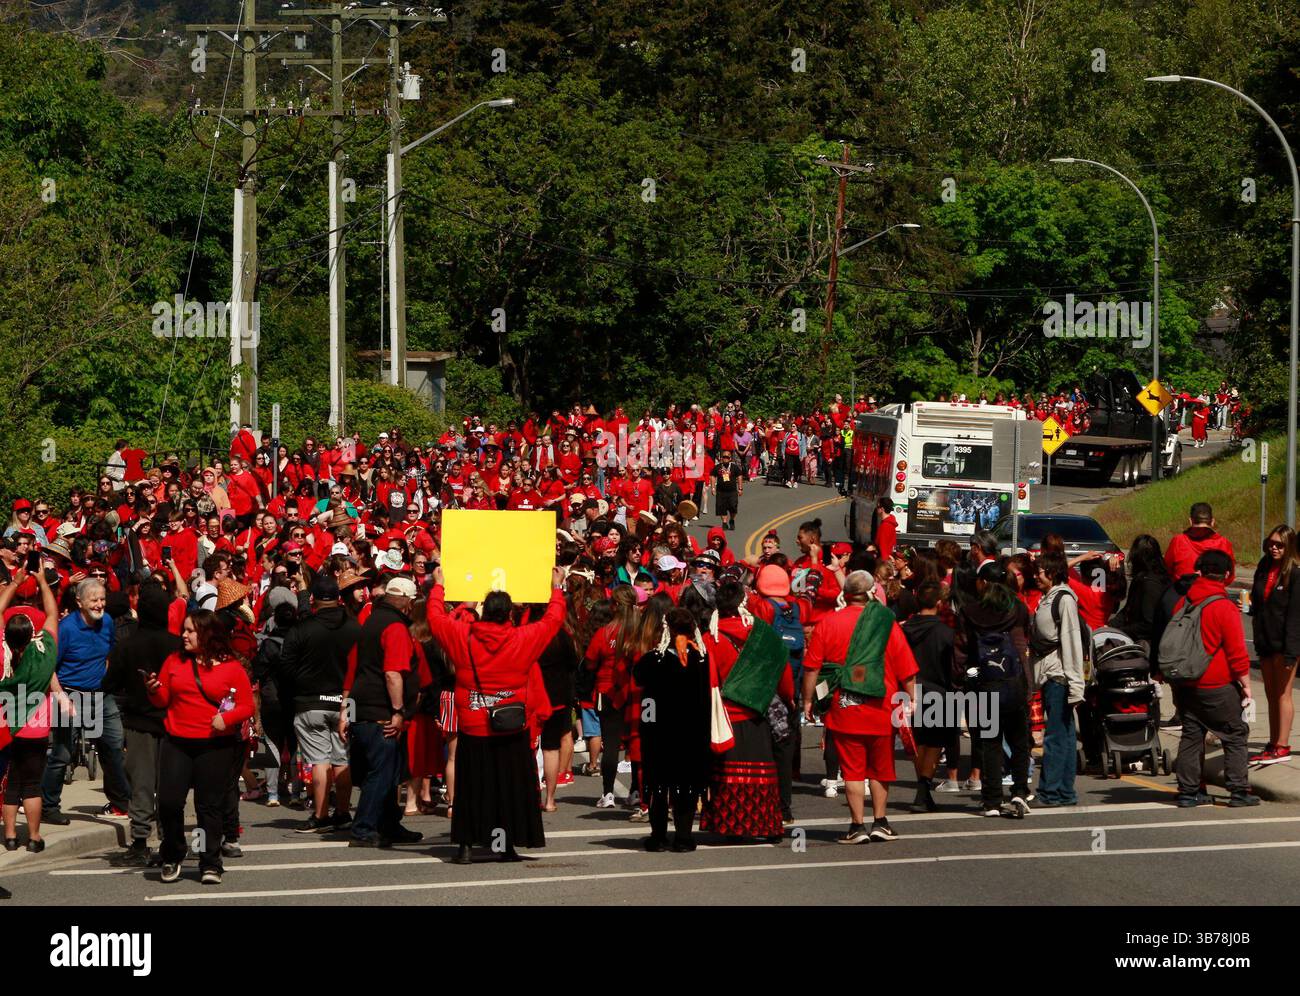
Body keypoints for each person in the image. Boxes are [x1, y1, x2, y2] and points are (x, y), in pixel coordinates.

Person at [426, 565, 567, 864]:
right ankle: (504, 845)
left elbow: (435, 619)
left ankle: (465, 846)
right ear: (510, 615)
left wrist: (438, 586)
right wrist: (556, 588)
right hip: (511, 723)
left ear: (484, 612)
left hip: (473, 724)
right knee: (509, 787)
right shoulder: (523, 638)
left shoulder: (462, 636)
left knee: (470, 787)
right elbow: (553, 620)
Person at [802, 570, 918, 842]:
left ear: (844, 594)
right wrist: (912, 698)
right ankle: (880, 820)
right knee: (881, 767)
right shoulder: (886, 623)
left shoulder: (828, 622)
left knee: (852, 768)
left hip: (844, 705)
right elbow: (907, 668)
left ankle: (856, 826)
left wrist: (808, 700)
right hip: (882, 704)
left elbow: (811, 668)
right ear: (871, 593)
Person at [145, 610, 255, 885]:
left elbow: (246, 705)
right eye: (184, 630)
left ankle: (210, 861)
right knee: (169, 803)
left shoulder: (231, 667)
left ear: (207, 634)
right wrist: (153, 689)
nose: (184, 635)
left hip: (214, 746)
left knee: (209, 807)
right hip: (177, 742)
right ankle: (172, 853)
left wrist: (225, 718)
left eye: (190, 631)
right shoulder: (174, 661)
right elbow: (162, 700)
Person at [700, 580, 791, 841]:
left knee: (727, 774)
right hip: (758, 713)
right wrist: (788, 698)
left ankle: (731, 825)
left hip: (726, 717)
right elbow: (781, 672)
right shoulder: (762, 634)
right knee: (762, 772)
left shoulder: (711, 637)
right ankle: (766, 825)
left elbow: (709, 681)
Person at [1167, 550, 1258, 807]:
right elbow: (1237, 653)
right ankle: (1239, 790)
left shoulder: (1184, 602)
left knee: (1192, 734)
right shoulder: (1223, 606)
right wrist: (1246, 686)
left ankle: (1188, 791)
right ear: (1228, 575)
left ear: (1199, 570)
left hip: (1185, 682)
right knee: (1235, 733)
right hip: (1215, 683)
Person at [338, 576, 424, 848]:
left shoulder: (371, 621)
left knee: (385, 770)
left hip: (363, 707)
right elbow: (392, 674)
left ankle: (388, 824)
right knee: (382, 772)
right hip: (381, 711)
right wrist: (398, 711)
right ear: (408, 602)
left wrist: (346, 711)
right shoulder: (395, 626)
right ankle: (364, 827)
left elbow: (355, 670)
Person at [103, 582, 181, 864]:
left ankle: (139, 841)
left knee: (142, 785)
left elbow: (108, 684)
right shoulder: (178, 645)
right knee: (171, 785)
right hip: (173, 723)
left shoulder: (127, 646)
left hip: (138, 722)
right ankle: (169, 838)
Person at [42, 578, 130, 823]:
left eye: (102, 599)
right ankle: (49, 806)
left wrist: (105, 677)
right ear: (79, 602)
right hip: (70, 695)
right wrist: (61, 698)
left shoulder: (108, 622)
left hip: (100, 695)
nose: (100, 605)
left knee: (113, 747)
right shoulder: (66, 629)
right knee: (62, 753)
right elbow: (50, 666)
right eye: (94, 600)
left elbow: (110, 651)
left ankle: (121, 803)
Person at [280, 575, 360, 832]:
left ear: (313, 599)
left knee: (320, 760)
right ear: (338, 597)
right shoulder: (354, 627)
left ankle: (322, 814)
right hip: (346, 701)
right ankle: (344, 812)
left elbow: (286, 667)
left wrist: (302, 687)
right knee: (342, 759)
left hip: (311, 700)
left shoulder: (302, 628)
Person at [955, 560, 1033, 818]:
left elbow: (960, 652)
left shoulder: (968, 612)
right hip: (1015, 681)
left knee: (990, 742)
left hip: (984, 685)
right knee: (1020, 741)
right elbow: (1026, 642)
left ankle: (991, 801)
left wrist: (959, 682)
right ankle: (1020, 791)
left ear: (984, 583)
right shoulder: (1018, 609)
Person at [633, 606, 711, 851]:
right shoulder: (702, 659)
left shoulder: (655, 659)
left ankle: (658, 836)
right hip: (692, 733)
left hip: (659, 733)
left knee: (659, 786)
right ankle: (684, 837)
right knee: (686, 786)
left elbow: (639, 681)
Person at [0, 562, 64, 853]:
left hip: (7, 727)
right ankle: (34, 837)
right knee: (32, 783)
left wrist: (15, 582)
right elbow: (52, 615)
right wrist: (40, 580)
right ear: (31, 635)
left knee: (11, 782)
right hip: (37, 729)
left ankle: (11, 835)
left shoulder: (3, 655)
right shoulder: (44, 654)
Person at [1030, 553, 1085, 807]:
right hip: (1051, 675)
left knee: (1056, 736)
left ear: (1051, 573)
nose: (1035, 576)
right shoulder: (1049, 598)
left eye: (1039, 572)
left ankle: (1051, 792)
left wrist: (1075, 685)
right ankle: (1064, 792)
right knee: (1064, 735)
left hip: (1059, 677)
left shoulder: (1064, 600)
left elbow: (1071, 641)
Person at [901, 580, 958, 812]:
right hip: (938, 692)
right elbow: (953, 667)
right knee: (933, 744)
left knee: (918, 743)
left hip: (908, 691)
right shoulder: (946, 633)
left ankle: (922, 789)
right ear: (939, 603)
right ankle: (923, 789)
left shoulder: (903, 629)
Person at [1248, 526, 1300, 765]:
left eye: (1279, 544)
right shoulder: (1263, 567)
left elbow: (1294, 617)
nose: (1274, 548)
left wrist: (1291, 652)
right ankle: (1272, 742)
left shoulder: (1295, 573)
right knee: (1270, 693)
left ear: (1289, 547)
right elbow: (1258, 605)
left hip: (1285, 644)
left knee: (1283, 694)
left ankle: (1283, 744)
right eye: (1271, 543)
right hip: (1265, 641)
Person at [1165, 502, 1235, 579]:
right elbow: (1230, 576)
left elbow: (1167, 570)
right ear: (1212, 522)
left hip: (1183, 589)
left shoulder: (1178, 541)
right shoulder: (1224, 543)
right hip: (1214, 589)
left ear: (1191, 521)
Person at [710, 447, 745, 532]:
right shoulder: (717, 467)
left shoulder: (734, 467)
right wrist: (713, 487)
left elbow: (739, 476)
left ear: (730, 458)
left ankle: (732, 520)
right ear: (722, 458)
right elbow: (712, 476)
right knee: (722, 508)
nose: (725, 458)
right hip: (721, 491)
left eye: (727, 457)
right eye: (724, 457)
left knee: (733, 507)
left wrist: (740, 488)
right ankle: (724, 522)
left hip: (732, 491)